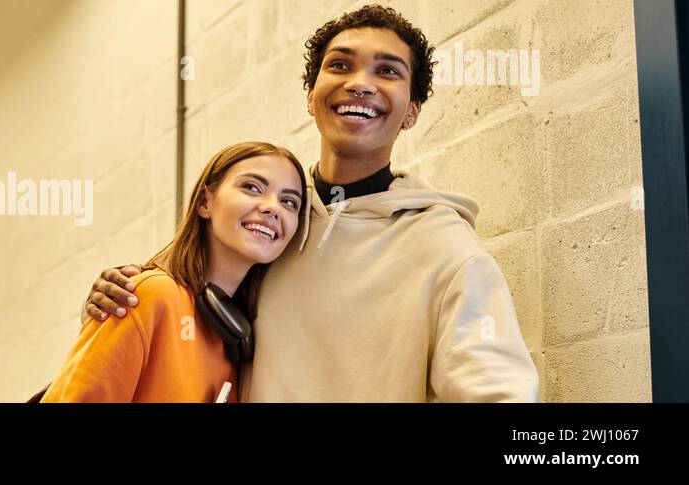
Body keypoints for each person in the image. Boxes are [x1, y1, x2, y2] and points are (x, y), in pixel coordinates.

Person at [81, 5, 538, 402]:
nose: (360, 83)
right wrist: (111, 299)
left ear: (412, 110)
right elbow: (173, 304)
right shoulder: (269, 226)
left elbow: (500, 394)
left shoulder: (447, 251)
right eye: (340, 65)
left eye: (388, 71)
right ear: (310, 95)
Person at [42, 142, 307, 402]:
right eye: (251, 187)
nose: (273, 207)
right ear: (205, 202)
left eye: (289, 202)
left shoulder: (237, 339)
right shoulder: (148, 296)